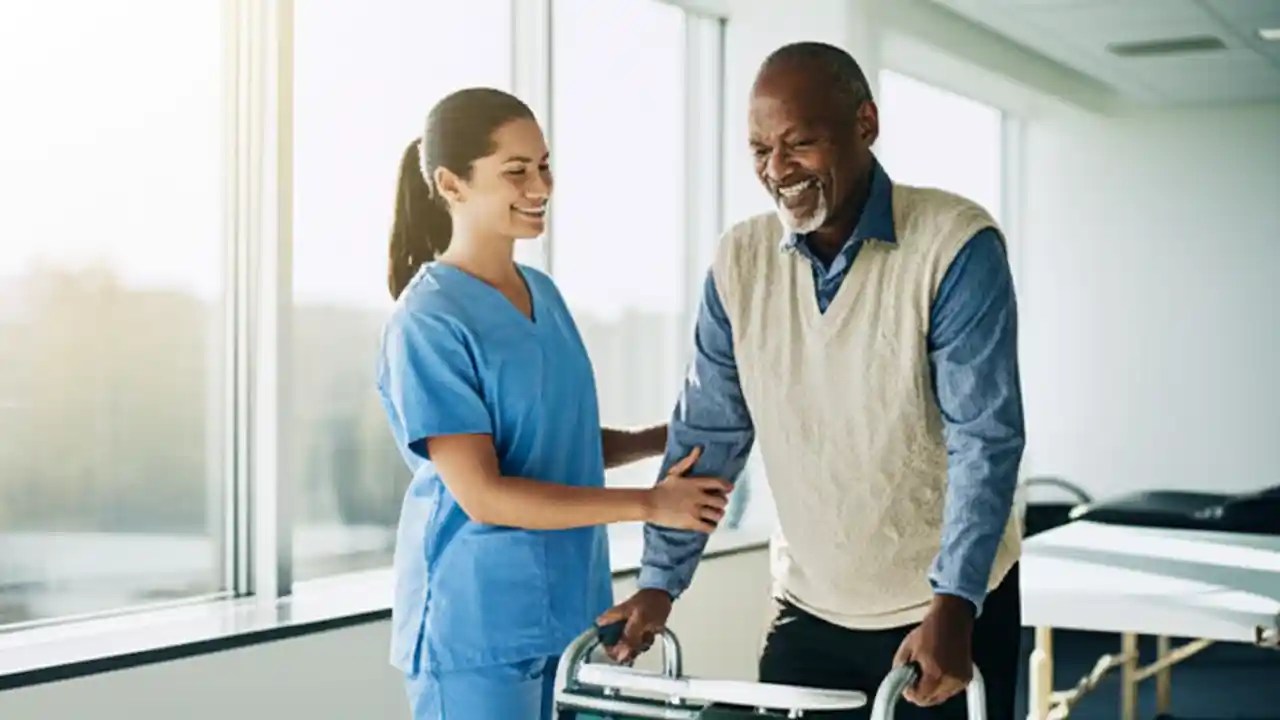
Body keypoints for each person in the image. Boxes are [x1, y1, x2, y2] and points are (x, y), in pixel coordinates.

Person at [598, 42, 1025, 720]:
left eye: (800, 143)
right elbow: (710, 434)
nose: (777, 170)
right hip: (810, 607)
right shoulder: (739, 262)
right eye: (760, 150)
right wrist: (660, 584)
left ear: (865, 124)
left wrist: (955, 602)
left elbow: (985, 440)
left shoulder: (955, 244)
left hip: (944, 612)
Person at [376, 87, 733, 720]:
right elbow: (483, 492)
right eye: (516, 171)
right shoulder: (428, 318)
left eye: (544, 165)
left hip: (571, 616)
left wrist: (660, 438)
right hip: (477, 630)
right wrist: (651, 505)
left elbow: (554, 443)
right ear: (451, 185)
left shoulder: (544, 294)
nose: (540, 184)